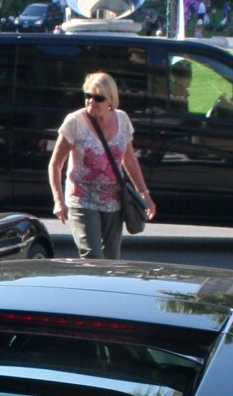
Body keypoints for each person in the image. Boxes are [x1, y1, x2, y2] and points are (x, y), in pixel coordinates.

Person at [48, 70, 155, 262]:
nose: (91, 101)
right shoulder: (74, 122)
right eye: (87, 96)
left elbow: (130, 160)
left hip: (113, 200)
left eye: (98, 98)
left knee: (111, 259)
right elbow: (55, 164)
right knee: (93, 258)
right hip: (82, 200)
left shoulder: (122, 120)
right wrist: (58, 200)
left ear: (110, 100)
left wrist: (144, 195)